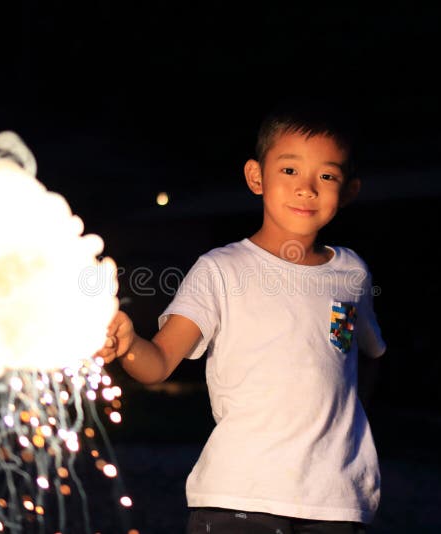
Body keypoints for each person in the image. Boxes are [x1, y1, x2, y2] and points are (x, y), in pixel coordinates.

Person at [97, 98, 387, 533]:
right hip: (239, 495)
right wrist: (129, 345)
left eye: (327, 175)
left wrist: (347, 427)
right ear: (257, 177)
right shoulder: (221, 270)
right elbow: (158, 363)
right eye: (289, 170)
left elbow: (362, 353)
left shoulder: (350, 273)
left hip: (336, 501)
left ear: (348, 191)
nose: (307, 187)